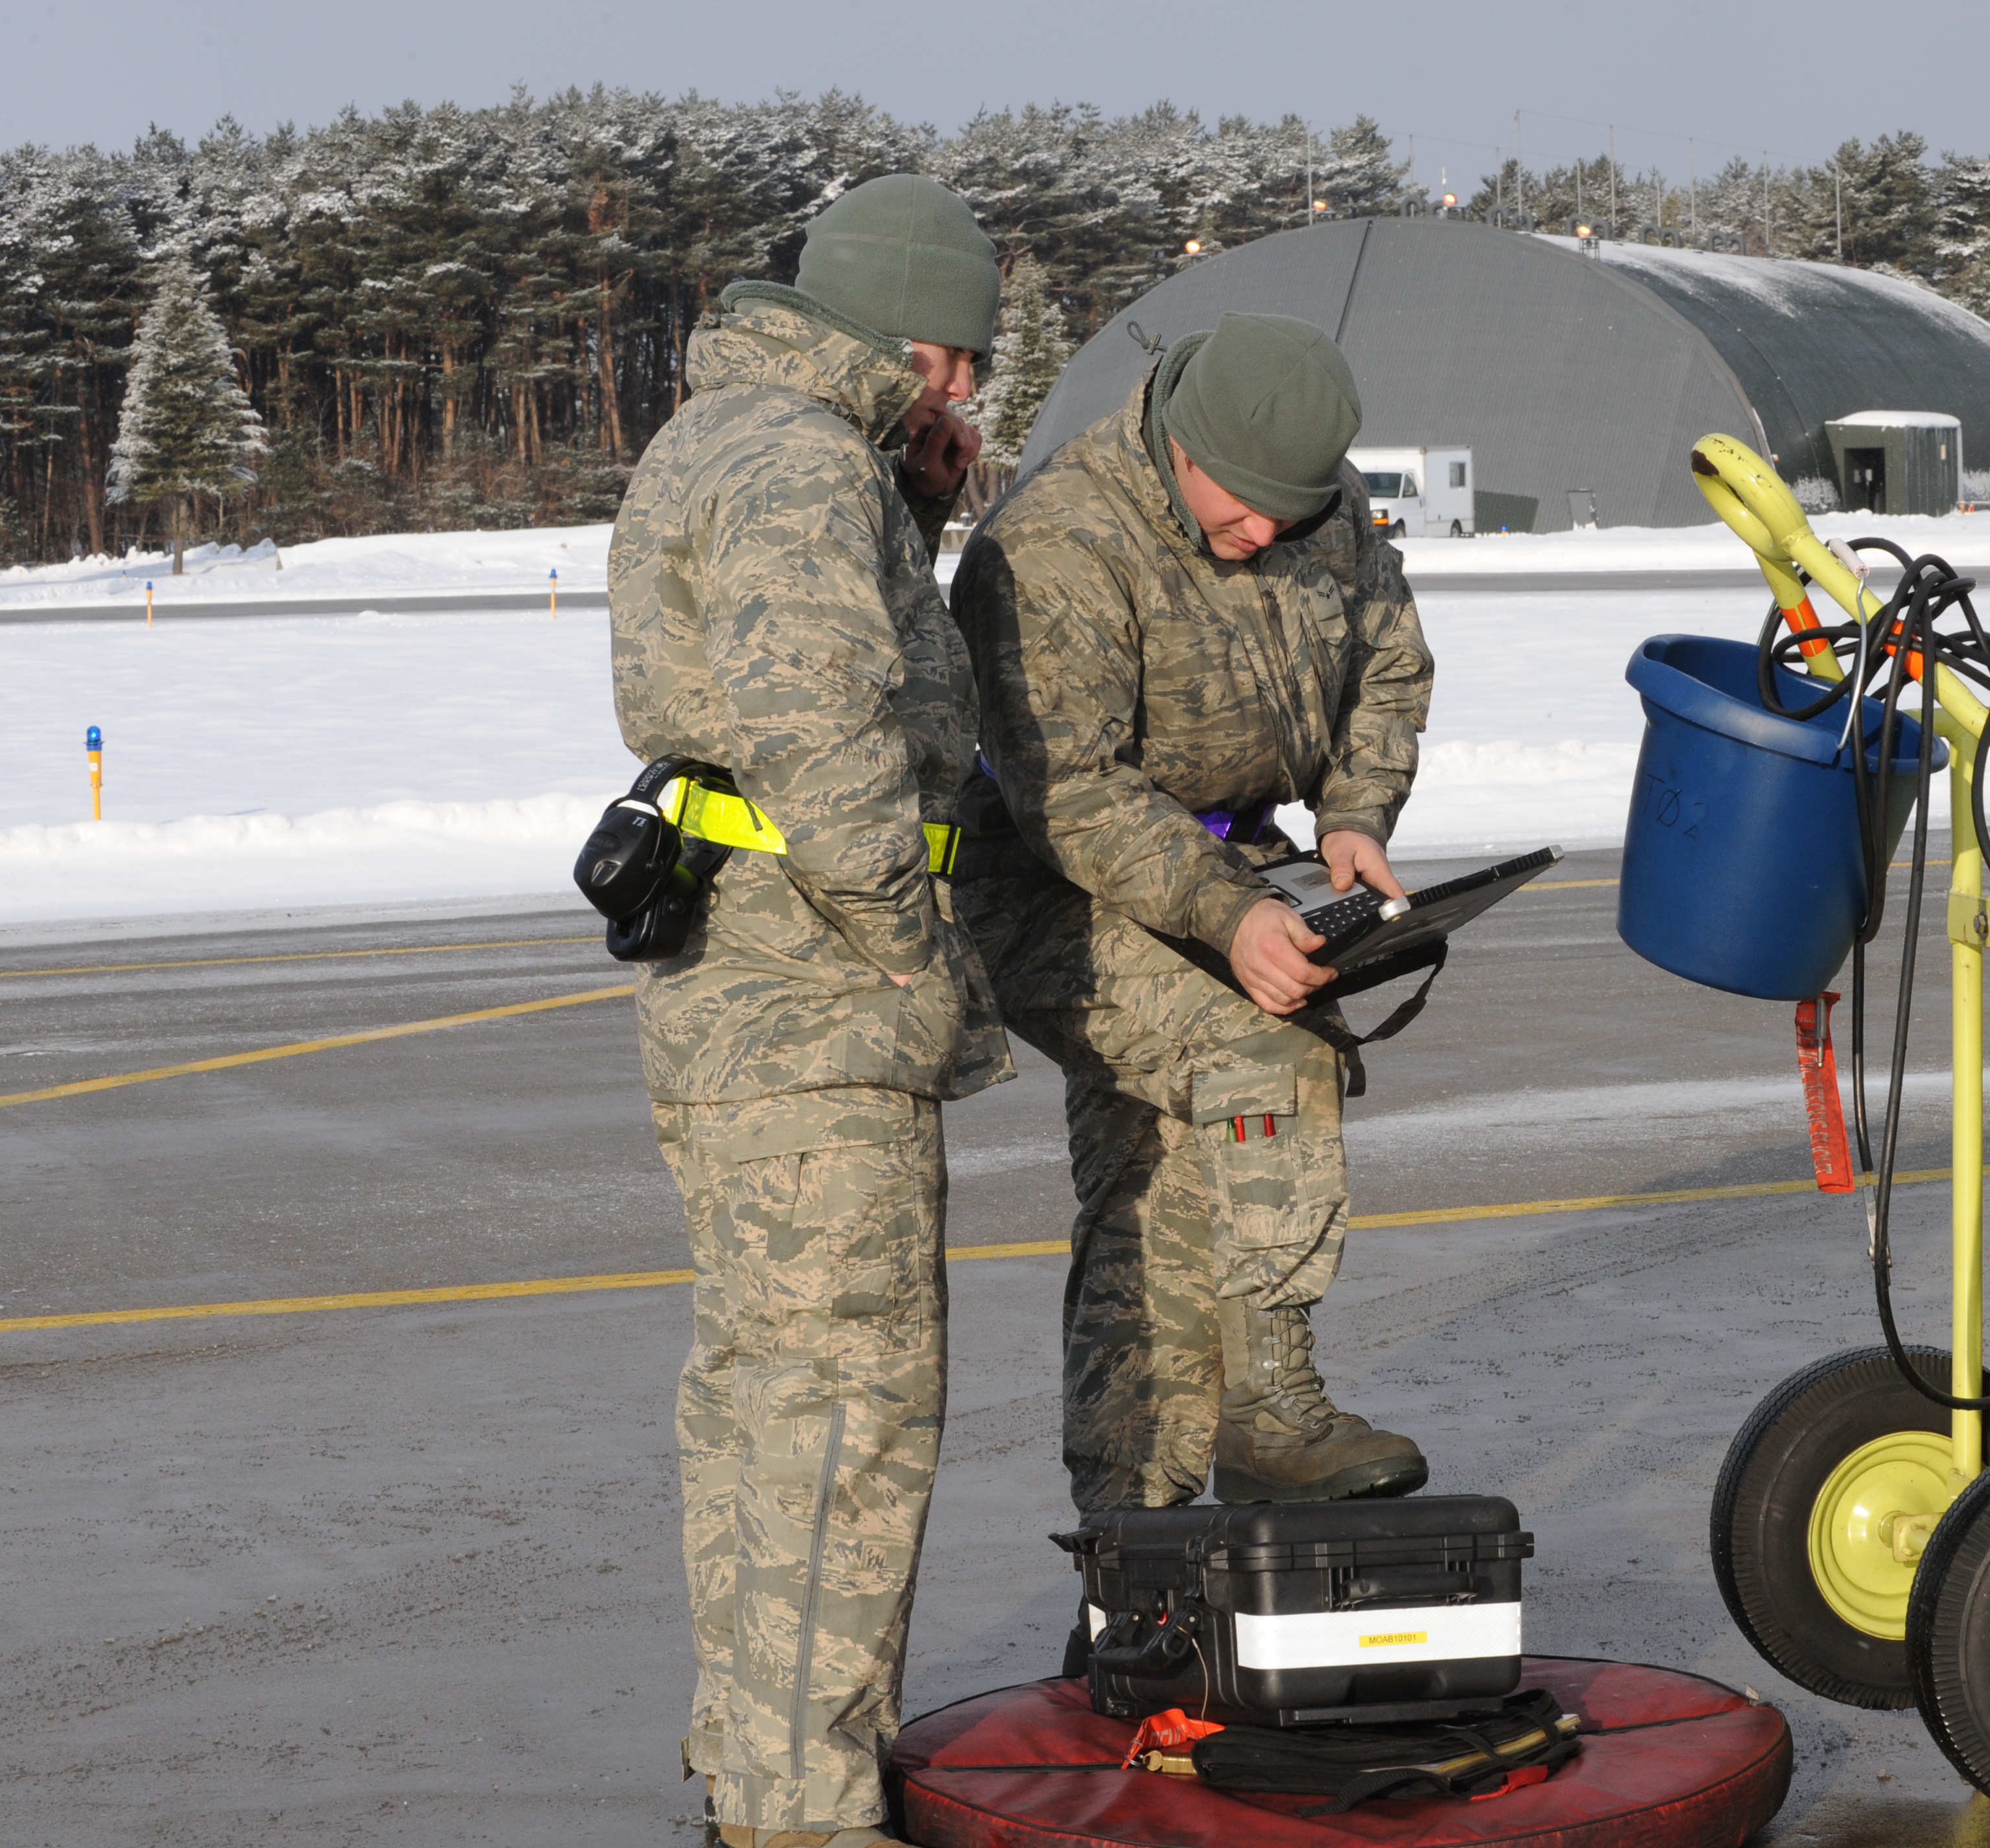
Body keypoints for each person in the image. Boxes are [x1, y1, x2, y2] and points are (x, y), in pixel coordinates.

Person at [606, 172, 1011, 1848]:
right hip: (812, 997)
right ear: (906, 338)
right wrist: (918, 954)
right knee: (840, 1423)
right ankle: (802, 1807)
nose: (975, 398)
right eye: (965, 364)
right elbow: (824, 736)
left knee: (773, 1414)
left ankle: (766, 1766)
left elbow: (827, 656)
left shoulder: (777, 444)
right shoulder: (787, 461)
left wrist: (910, 512)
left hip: (758, 994)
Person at [949, 312, 1435, 1526]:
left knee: (1157, 1197)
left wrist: (1353, 816)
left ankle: (1135, 1556)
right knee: (1262, 1043)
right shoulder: (1057, 540)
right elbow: (1072, 788)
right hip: (1051, 880)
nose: (1265, 533)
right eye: (1241, 505)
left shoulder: (1320, 510)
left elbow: (1387, 659)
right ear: (1176, 439)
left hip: (1240, 853)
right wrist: (1231, 919)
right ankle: (1270, 1406)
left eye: (1290, 511)